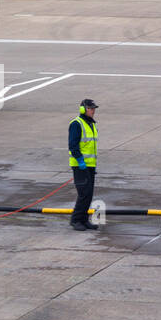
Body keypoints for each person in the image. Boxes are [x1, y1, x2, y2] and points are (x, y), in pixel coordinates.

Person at [69, 98, 100, 231]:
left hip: (90, 166)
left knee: (89, 194)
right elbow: (73, 145)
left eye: (94, 109)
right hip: (80, 165)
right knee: (84, 193)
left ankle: (83, 219)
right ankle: (75, 220)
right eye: (90, 108)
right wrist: (80, 161)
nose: (93, 111)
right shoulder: (77, 124)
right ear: (83, 109)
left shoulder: (91, 124)